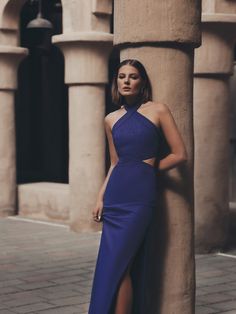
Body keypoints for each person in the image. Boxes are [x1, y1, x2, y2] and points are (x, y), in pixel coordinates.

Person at [88, 59, 187, 314]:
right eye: (122, 76)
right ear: (116, 81)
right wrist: (100, 197)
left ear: (142, 81)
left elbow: (179, 155)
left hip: (140, 198)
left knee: (124, 263)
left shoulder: (158, 110)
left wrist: (147, 169)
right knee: (115, 266)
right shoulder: (110, 119)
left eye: (133, 76)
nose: (126, 81)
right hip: (115, 196)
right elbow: (114, 163)